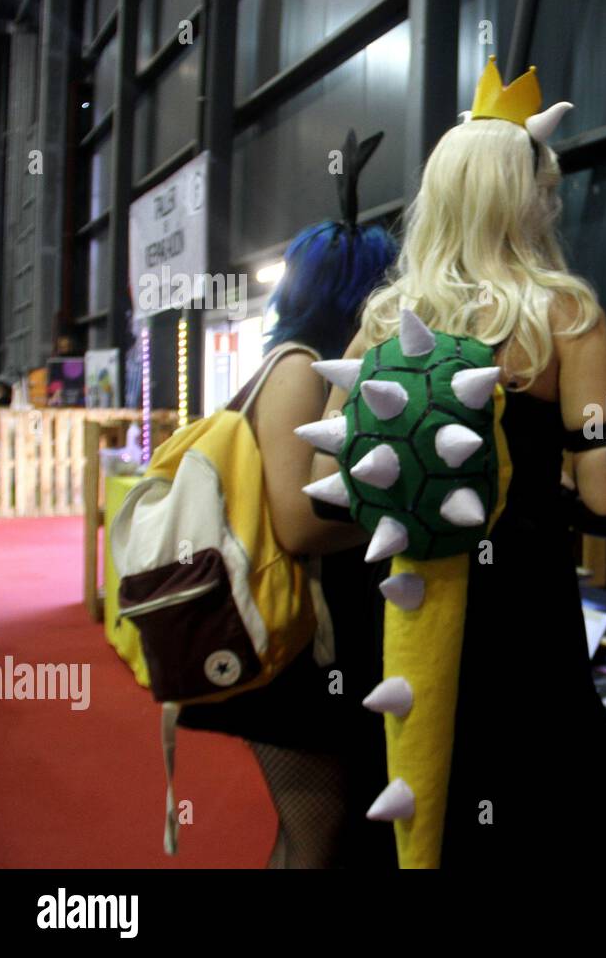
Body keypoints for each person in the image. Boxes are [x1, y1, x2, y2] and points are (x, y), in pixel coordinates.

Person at [313, 57, 606, 866]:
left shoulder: (381, 321)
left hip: (393, 604)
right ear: (526, 197)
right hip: (519, 603)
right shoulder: (568, 315)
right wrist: (539, 492)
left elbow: (326, 490)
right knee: (529, 805)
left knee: (410, 792)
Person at [176, 130, 400, 868]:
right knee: (317, 828)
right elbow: (300, 524)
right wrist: (397, 515)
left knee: (321, 825)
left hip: (308, 642)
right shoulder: (300, 367)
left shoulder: (307, 366)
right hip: (297, 650)